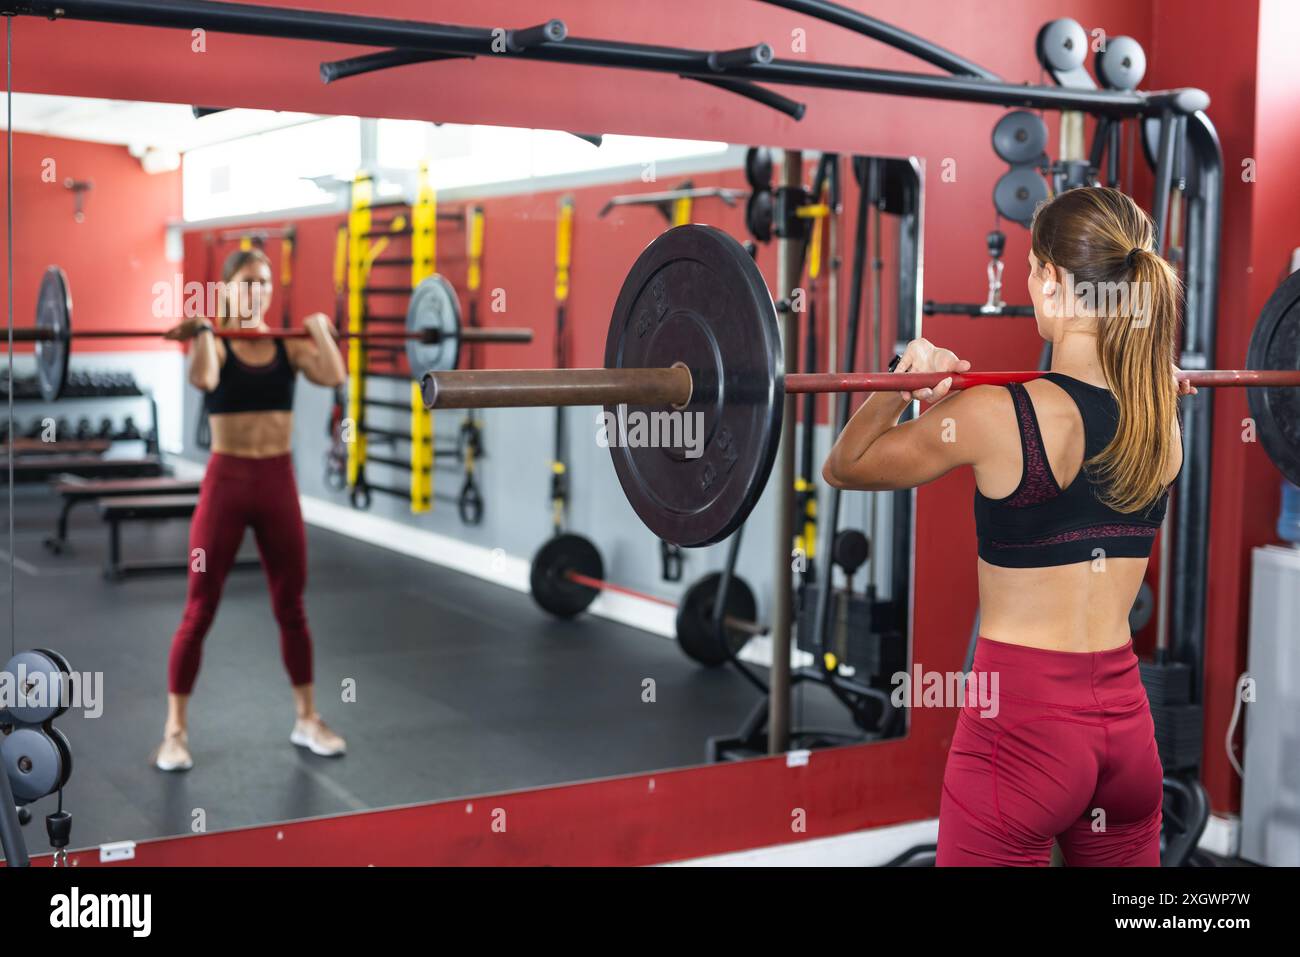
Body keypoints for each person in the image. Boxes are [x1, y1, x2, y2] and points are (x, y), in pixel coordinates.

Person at [824, 186, 1195, 865]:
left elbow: (846, 464)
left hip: (1022, 735)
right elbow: (1131, 385)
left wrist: (901, 382)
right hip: (1129, 738)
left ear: (1052, 280)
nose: (1028, 285)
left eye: (1030, 269)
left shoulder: (1002, 414)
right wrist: (1147, 374)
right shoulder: (1161, 419)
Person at [154, 248, 348, 771]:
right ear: (227, 289)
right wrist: (201, 335)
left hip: (277, 482)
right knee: (200, 607)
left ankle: (307, 718)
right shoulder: (216, 343)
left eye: (264, 282)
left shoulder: (288, 346)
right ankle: (175, 731)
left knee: (292, 605)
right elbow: (203, 380)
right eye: (246, 282)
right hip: (227, 484)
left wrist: (319, 330)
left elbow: (334, 376)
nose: (257, 291)